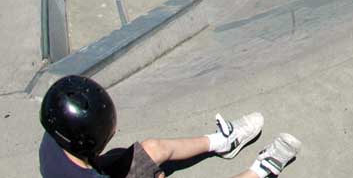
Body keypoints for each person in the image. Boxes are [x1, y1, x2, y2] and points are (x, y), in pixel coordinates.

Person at [39, 75, 301, 178]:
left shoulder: (55, 135)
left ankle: (224, 142)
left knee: (154, 148)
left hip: (93, 168)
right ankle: (262, 170)